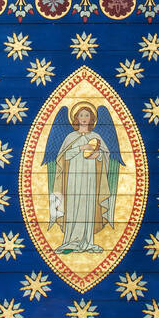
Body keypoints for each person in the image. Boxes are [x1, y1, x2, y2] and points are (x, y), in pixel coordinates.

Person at [50, 102, 111, 253]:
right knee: (73, 205)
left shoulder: (96, 137)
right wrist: (80, 148)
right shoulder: (70, 137)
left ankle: (87, 241)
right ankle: (70, 241)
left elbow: (105, 156)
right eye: (81, 115)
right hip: (73, 177)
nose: (84, 118)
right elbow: (63, 158)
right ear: (76, 118)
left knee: (88, 205)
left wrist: (98, 156)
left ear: (91, 118)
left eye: (87, 115)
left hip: (90, 178)